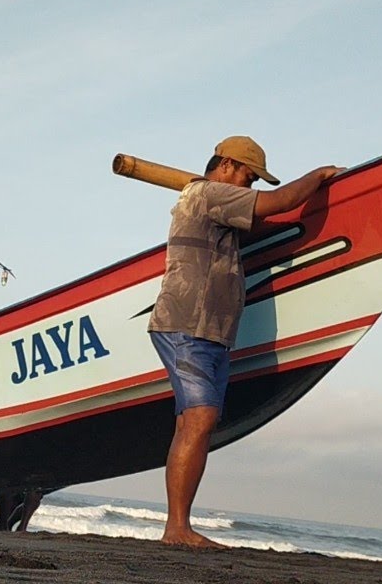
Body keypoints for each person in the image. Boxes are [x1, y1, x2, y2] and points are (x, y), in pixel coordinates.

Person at [147, 135, 342, 548]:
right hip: (188, 324)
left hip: (211, 331)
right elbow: (283, 201)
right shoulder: (208, 193)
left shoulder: (217, 204)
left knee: (197, 422)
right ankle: (176, 529)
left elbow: (272, 220)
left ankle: (178, 526)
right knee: (198, 420)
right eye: (249, 177)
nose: (250, 187)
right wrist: (322, 175)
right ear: (227, 166)